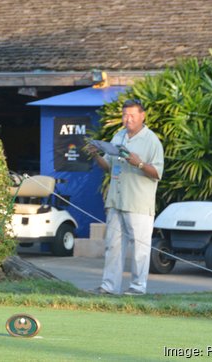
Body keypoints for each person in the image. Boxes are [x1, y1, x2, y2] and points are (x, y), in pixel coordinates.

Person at [85, 99, 164, 296]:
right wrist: (96, 155)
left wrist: (138, 164)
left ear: (142, 116)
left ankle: (137, 288)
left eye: (132, 116)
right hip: (116, 201)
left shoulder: (151, 140)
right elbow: (110, 167)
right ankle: (109, 287)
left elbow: (157, 173)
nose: (127, 119)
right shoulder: (118, 136)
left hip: (138, 203)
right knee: (113, 246)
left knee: (140, 249)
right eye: (124, 115)